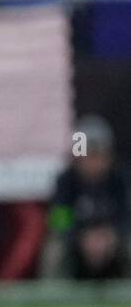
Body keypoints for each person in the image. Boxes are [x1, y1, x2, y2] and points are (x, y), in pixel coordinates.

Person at [42, 116, 129, 281]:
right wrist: (81, 237)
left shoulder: (120, 179)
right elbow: (59, 222)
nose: (94, 162)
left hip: (112, 241)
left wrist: (110, 235)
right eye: (89, 156)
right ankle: (53, 298)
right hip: (77, 243)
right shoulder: (66, 181)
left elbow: (126, 215)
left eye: (99, 156)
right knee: (55, 249)